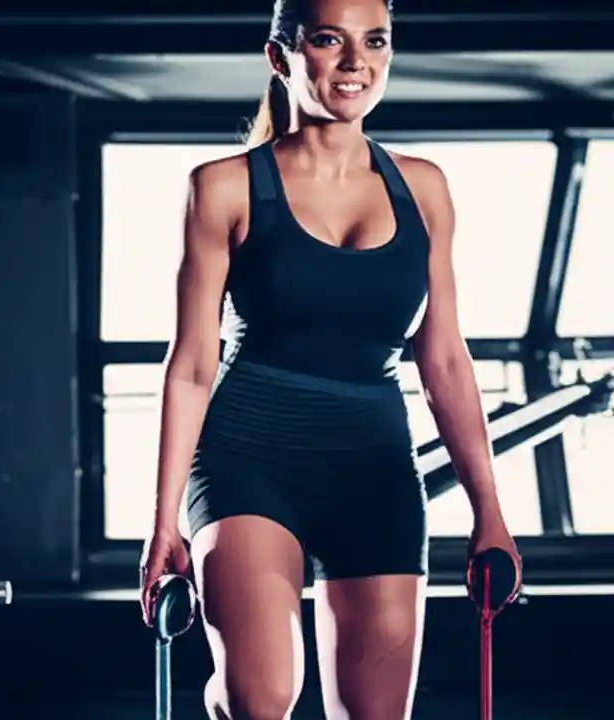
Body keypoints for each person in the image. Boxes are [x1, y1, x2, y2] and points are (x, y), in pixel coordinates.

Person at [138, 1, 522, 718]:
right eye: (328, 39)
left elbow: (443, 360)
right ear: (281, 58)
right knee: (262, 696)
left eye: (374, 41)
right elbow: (192, 363)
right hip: (247, 458)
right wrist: (164, 523)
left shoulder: (425, 188)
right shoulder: (221, 186)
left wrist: (489, 511)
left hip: (373, 465)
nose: (356, 61)